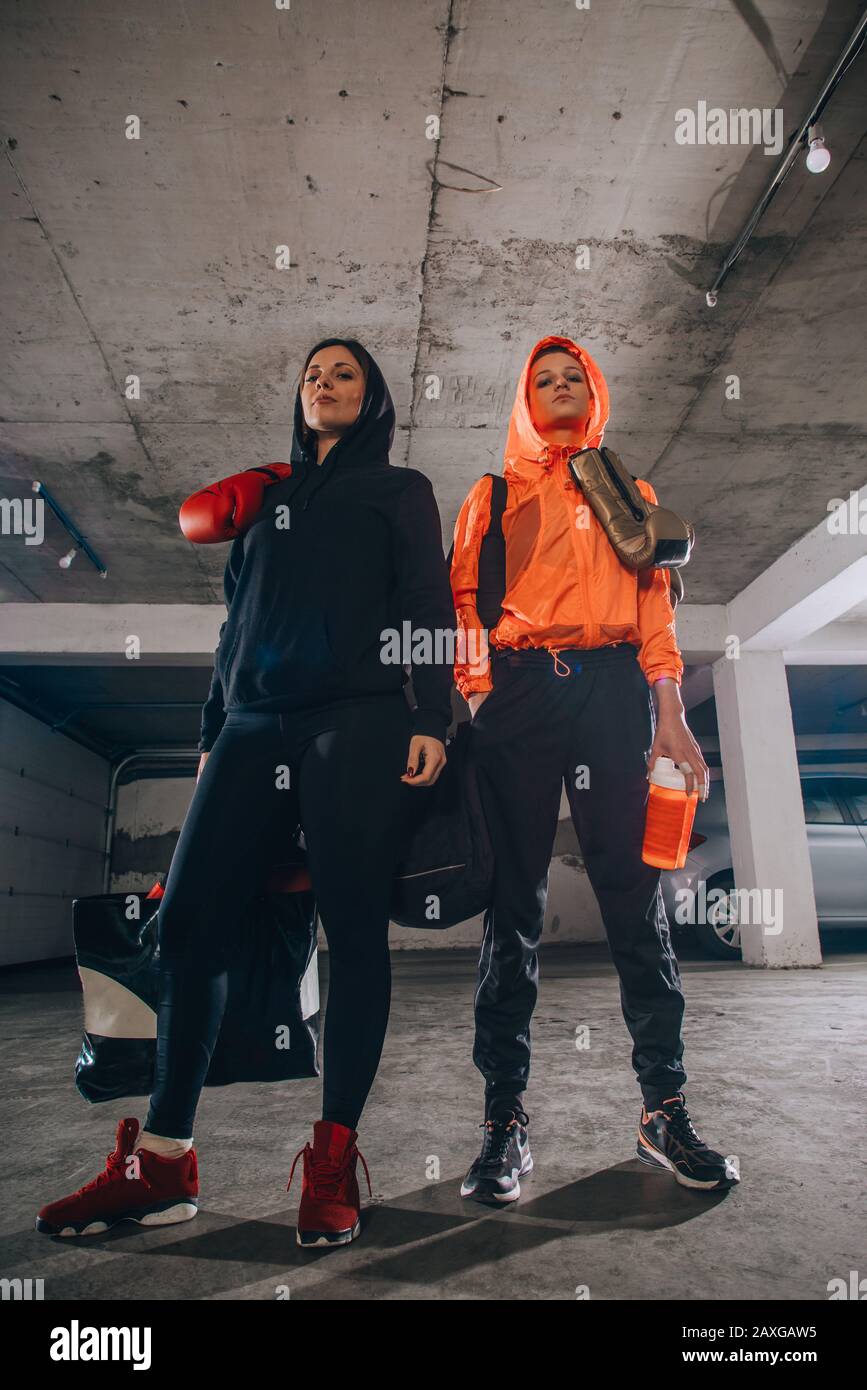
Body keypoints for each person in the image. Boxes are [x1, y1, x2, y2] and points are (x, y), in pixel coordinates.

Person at [37, 339, 455, 1248]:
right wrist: (209, 739)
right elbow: (236, 629)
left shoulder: (398, 490)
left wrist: (434, 714)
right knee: (187, 927)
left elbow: (429, 600)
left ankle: (333, 1159)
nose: (323, 383)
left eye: (343, 373)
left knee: (352, 933)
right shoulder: (266, 501)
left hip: (357, 717)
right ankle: (164, 1164)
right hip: (251, 724)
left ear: (373, 398)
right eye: (312, 374)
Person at [449, 334, 737, 1203]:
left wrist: (669, 712)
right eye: (544, 379)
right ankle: (503, 1122)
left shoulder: (630, 493)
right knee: (512, 908)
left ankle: (664, 1111)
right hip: (520, 691)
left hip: (614, 691)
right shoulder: (493, 494)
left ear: (594, 391)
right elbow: (462, 601)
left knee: (635, 900)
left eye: (572, 376)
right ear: (525, 401)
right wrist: (480, 697)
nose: (559, 386)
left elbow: (654, 612)